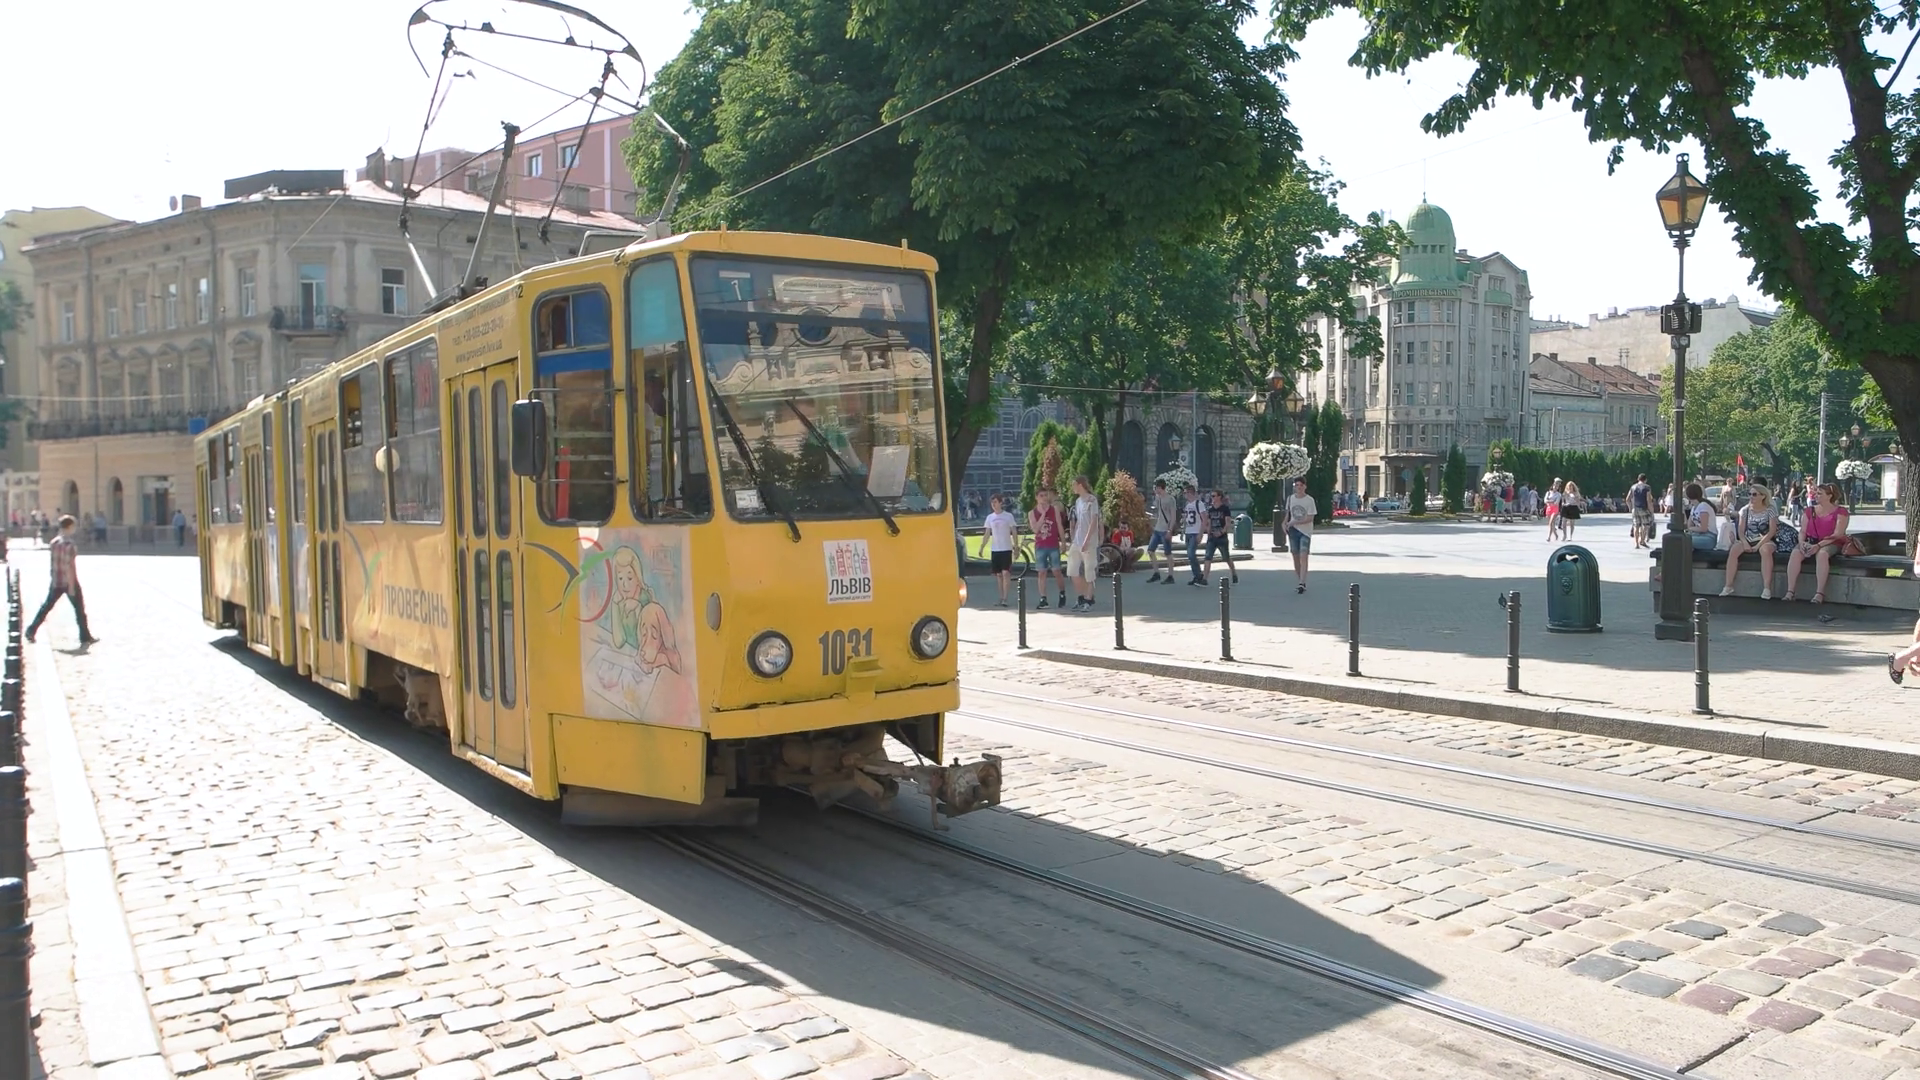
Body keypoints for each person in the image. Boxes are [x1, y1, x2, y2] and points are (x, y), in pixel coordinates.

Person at [26, 515, 95, 646]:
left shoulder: (54, 543)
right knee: (79, 610)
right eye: (74, 526)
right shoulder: (70, 545)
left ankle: (31, 630)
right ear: (69, 527)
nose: (75, 529)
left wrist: (53, 579)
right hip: (68, 582)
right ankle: (85, 637)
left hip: (56, 581)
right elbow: (70, 566)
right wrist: (71, 586)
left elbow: (53, 564)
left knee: (46, 607)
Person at [1784, 483, 1851, 603]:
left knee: (1822, 554)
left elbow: (1838, 534)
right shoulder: (1810, 511)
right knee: (1795, 553)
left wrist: (1818, 545)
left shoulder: (1841, 512)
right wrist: (1802, 543)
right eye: (1816, 493)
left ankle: (1819, 593)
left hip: (1832, 542)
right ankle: (1790, 591)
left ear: (1830, 496)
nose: (1815, 495)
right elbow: (1803, 531)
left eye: (1820, 493)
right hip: (1811, 541)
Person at [1720, 487, 1785, 600]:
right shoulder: (1745, 510)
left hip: (1766, 539)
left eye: (1754, 494)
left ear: (1763, 496)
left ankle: (1766, 588)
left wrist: (1758, 545)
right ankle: (1728, 585)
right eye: (1749, 494)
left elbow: (1772, 531)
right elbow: (1741, 531)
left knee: (1765, 550)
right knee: (1734, 549)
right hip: (1748, 539)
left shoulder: (1770, 510)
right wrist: (1745, 543)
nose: (1751, 497)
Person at [1065, 475, 1101, 613]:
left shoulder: (1092, 500)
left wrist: (1086, 540)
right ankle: (1081, 596)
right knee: (1072, 570)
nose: (1072, 488)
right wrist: (1074, 538)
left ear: (1080, 485)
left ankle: (1088, 599)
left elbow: (1093, 521)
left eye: (1074, 485)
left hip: (1089, 541)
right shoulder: (1078, 501)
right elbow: (1078, 521)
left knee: (1089, 572)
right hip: (1077, 541)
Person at [1028, 487, 1067, 610]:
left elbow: (1059, 526)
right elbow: (1035, 529)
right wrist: (1043, 514)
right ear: (1036, 498)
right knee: (1041, 572)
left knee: (1056, 571)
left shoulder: (1054, 510)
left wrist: (1063, 542)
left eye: (1045, 495)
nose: (1044, 498)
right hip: (1040, 546)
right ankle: (1043, 598)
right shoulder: (1032, 513)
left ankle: (1062, 593)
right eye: (1041, 496)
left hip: (1053, 544)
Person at [984, 494, 1017, 607]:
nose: (993, 505)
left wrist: (1016, 546)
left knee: (1005, 573)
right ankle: (1001, 597)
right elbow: (987, 533)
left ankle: (1005, 598)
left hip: (1006, 548)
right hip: (995, 549)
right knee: (998, 575)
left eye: (995, 502)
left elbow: (1014, 531)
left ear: (1000, 503)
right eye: (992, 503)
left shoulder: (1008, 516)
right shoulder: (990, 518)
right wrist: (982, 546)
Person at [1284, 477, 1315, 594]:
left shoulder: (1309, 500)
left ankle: (1302, 582)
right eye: (1297, 485)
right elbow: (1288, 514)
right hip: (1293, 531)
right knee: (1295, 556)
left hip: (1305, 532)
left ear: (1305, 487)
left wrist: (1295, 522)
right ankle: (1300, 580)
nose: (1299, 487)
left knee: (1303, 555)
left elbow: (1310, 518)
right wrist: (1284, 523)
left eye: (1301, 485)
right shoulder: (1290, 499)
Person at [1202, 490, 1237, 585]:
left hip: (1222, 537)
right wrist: (1208, 532)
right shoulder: (1210, 510)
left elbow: (1228, 523)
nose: (1212, 498)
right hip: (1212, 537)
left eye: (1214, 496)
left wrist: (1221, 532)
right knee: (1208, 558)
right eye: (1211, 496)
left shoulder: (1225, 509)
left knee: (1226, 558)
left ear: (1219, 497)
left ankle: (1234, 573)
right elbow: (1209, 522)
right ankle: (1204, 579)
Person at [1146, 479, 1177, 584]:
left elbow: (1173, 516)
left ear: (1160, 487)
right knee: (1150, 550)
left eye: (1156, 488)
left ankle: (1170, 575)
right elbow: (1157, 512)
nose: (1155, 490)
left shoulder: (1170, 499)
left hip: (1165, 529)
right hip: (1158, 528)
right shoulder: (1158, 498)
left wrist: (1170, 530)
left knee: (1168, 553)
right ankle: (1156, 573)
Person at [1181, 483, 1206, 586]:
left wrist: (1201, 534)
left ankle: (1199, 575)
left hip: (1195, 532)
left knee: (1191, 554)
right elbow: (1186, 519)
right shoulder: (1187, 505)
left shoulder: (1199, 504)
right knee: (1190, 555)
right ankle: (1196, 575)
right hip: (1188, 532)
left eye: (1185, 493)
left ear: (1190, 493)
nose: (1184, 495)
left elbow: (1204, 519)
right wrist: (1183, 531)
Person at [1683, 482, 1717, 552]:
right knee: (1681, 539)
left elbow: (1703, 528)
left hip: (1709, 537)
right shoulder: (1694, 508)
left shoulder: (1703, 506)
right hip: (1698, 535)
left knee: (1683, 541)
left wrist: (1690, 528)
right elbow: (1689, 524)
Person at [1629, 473, 1655, 549]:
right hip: (1644, 509)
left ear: (1638, 479)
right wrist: (1651, 511)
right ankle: (1642, 540)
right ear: (1645, 480)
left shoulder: (1633, 487)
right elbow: (1648, 500)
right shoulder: (1647, 487)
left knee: (1636, 526)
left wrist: (1630, 508)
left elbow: (1627, 499)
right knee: (1646, 525)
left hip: (1635, 509)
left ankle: (1636, 544)